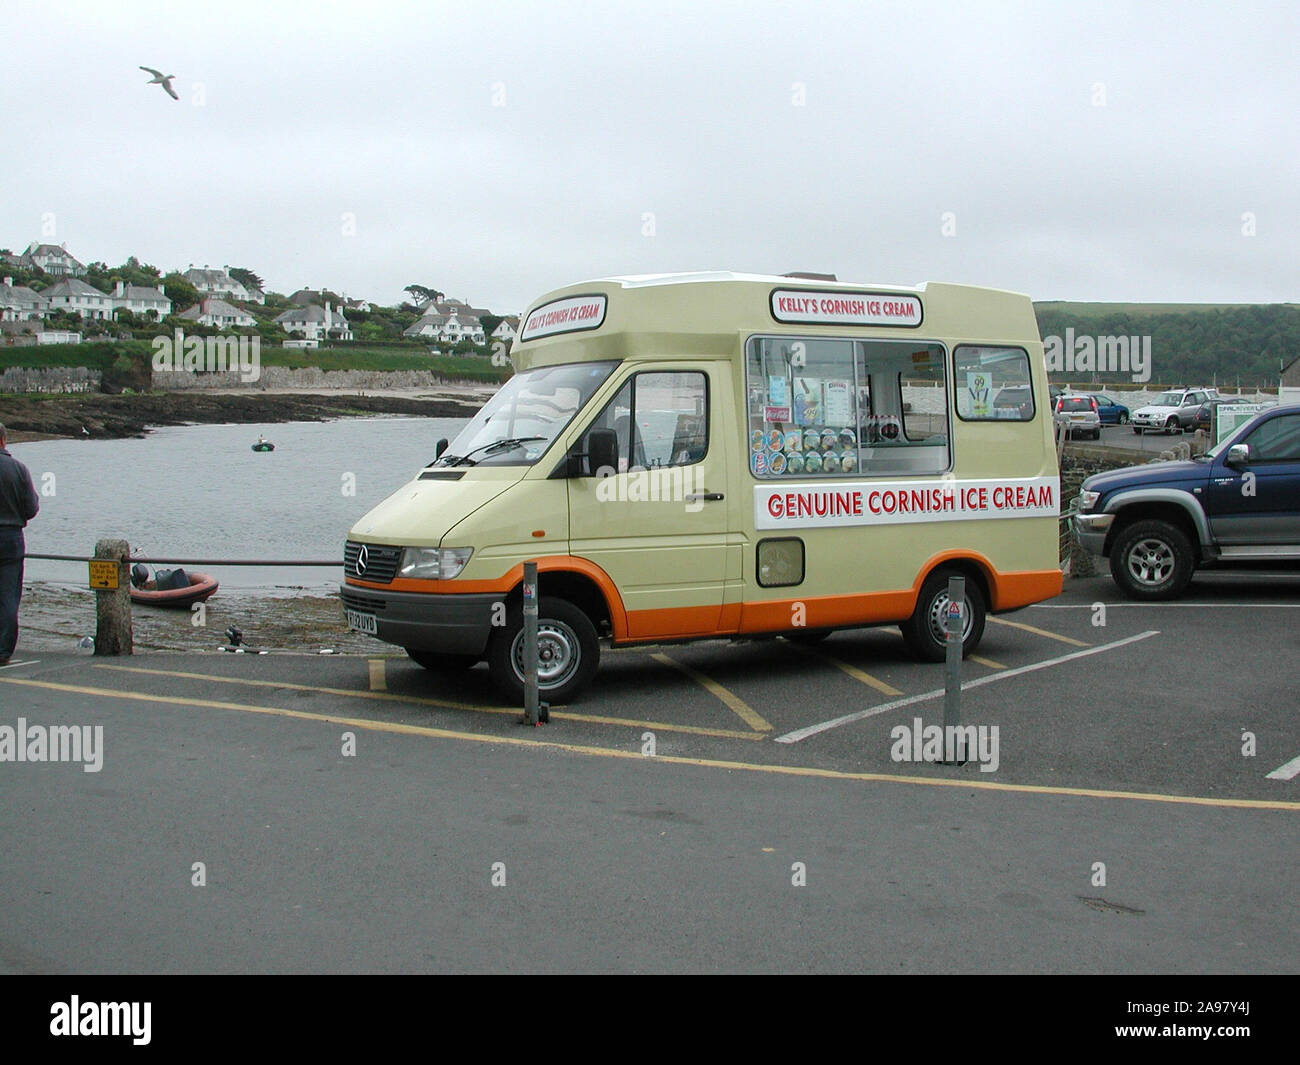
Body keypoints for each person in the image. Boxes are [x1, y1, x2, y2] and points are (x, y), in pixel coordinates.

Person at [0, 422, 40, 665]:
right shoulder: (19, 469)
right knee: (8, 595)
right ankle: (3, 650)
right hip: (11, 536)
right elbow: (31, 508)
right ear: (4, 440)